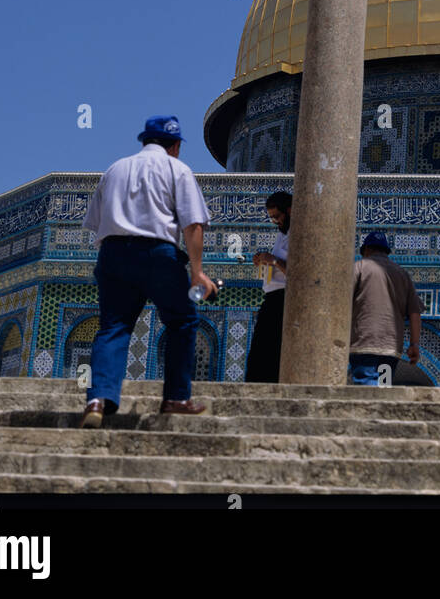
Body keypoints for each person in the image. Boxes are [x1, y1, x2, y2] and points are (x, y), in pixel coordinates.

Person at [80, 115, 215, 427]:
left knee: (113, 327)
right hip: (157, 254)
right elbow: (193, 224)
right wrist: (197, 272)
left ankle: (98, 399)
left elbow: (95, 224)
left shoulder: (114, 169)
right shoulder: (177, 169)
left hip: (112, 253)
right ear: (176, 145)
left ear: (144, 140)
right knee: (182, 321)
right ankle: (177, 398)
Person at [348, 231, 423, 385]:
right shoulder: (402, 274)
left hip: (364, 344)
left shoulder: (359, 267)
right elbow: (415, 313)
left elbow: (341, 302)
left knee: (366, 387)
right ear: (386, 252)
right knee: (383, 387)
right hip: (390, 349)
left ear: (366, 250)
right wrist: (414, 345)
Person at [245, 191, 291, 383]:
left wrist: (274, 261)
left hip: (284, 299)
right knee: (261, 352)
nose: (275, 222)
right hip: (272, 298)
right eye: (272, 218)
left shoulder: (302, 234)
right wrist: (263, 261)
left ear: (289, 210)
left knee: (270, 352)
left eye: (277, 217)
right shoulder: (283, 234)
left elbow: (301, 275)